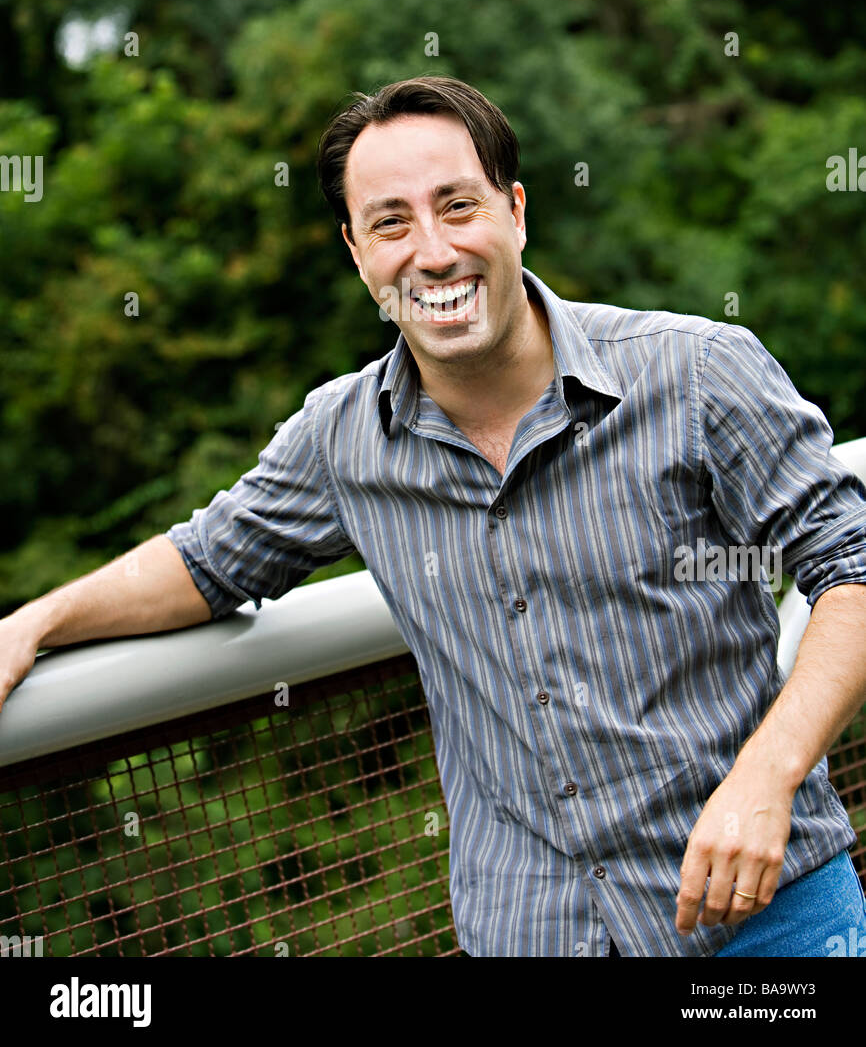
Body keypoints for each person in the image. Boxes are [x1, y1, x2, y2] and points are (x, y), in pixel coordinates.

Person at [2, 75, 865, 958]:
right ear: (356, 252)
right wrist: (35, 622)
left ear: (517, 211)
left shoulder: (698, 373)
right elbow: (205, 565)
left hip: (771, 924)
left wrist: (771, 771)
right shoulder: (340, 439)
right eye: (391, 223)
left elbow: (854, 570)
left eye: (458, 206)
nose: (433, 250)